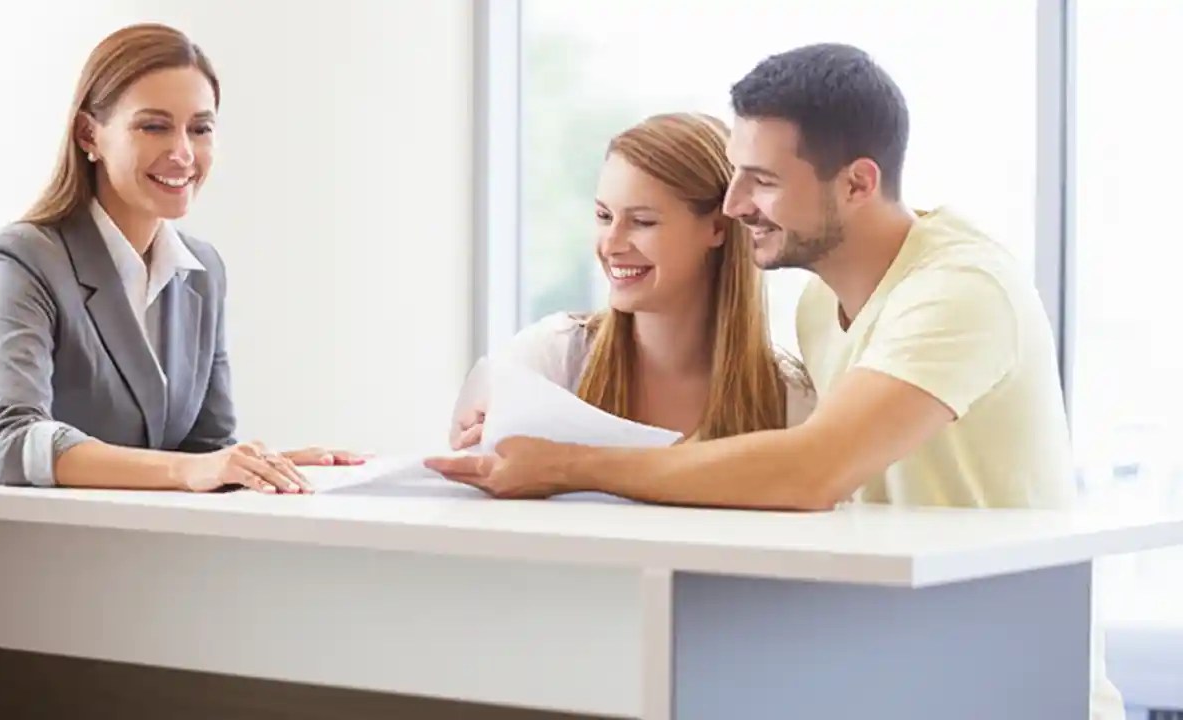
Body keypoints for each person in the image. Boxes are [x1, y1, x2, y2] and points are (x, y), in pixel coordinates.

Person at [427, 43, 1124, 719]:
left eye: (761, 179)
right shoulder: (823, 307)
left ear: (856, 183)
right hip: (906, 669)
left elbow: (812, 470)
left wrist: (566, 465)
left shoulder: (961, 289)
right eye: (734, 174)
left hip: (1018, 682)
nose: (733, 204)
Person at [0, 23, 359, 492]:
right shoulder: (24, 260)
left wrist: (262, 466)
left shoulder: (201, 273)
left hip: (137, 541)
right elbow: (13, 443)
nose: (183, 153)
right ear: (89, 135)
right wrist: (189, 470)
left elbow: (205, 450)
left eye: (200, 128)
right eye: (154, 126)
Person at [448, 113, 813, 451]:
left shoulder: (788, 399)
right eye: (604, 216)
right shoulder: (554, 358)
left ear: (718, 227)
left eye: (642, 222)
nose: (611, 244)